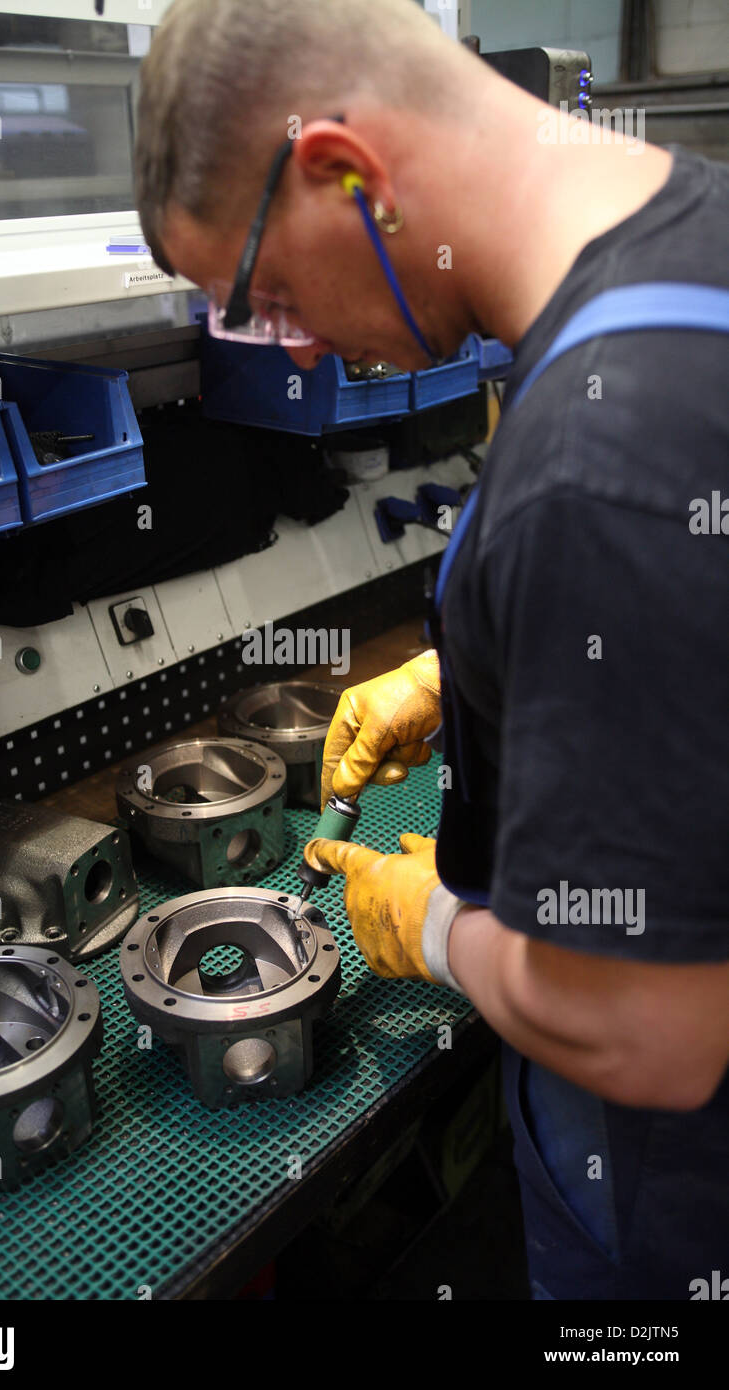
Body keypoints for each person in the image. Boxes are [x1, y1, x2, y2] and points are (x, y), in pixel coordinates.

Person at [134, 0, 729, 1299]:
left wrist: (434, 925)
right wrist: (464, 675)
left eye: (267, 293)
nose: (290, 344)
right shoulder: (688, 240)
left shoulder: (599, 453)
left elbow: (656, 1028)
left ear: (346, 172)